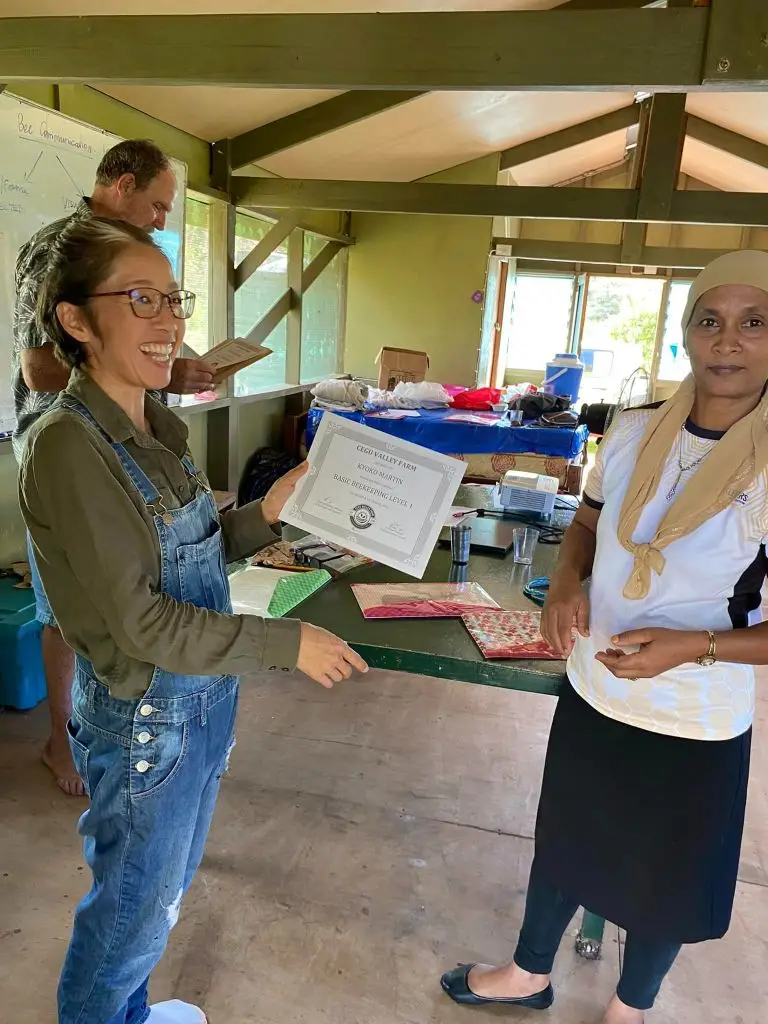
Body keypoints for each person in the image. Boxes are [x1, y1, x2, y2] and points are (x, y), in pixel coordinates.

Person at [19, 215, 368, 1024]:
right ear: (76, 320)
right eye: (141, 299)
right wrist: (289, 643)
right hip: (149, 716)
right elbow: (143, 623)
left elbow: (194, 556)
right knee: (126, 920)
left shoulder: (154, 425)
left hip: (200, 701)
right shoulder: (70, 447)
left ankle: (131, 1017)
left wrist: (265, 516)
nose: (169, 321)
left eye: (174, 300)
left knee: (158, 902)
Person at [439, 250, 768, 1023]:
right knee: (566, 837)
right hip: (596, 685)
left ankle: (632, 1007)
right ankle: (528, 972)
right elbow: (586, 521)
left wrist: (693, 647)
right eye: (710, 321)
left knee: (668, 874)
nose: (729, 341)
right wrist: (564, 583)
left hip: (697, 712)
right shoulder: (631, 432)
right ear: (686, 334)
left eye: (755, 323)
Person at [12, 138, 216, 796]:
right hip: (71, 449)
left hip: (123, 443)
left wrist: (163, 365)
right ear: (122, 186)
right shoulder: (62, 250)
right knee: (69, 611)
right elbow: (39, 367)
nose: (163, 219)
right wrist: (167, 369)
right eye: (157, 205)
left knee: (137, 594)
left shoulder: (128, 255)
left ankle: (131, 732)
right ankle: (61, 743)